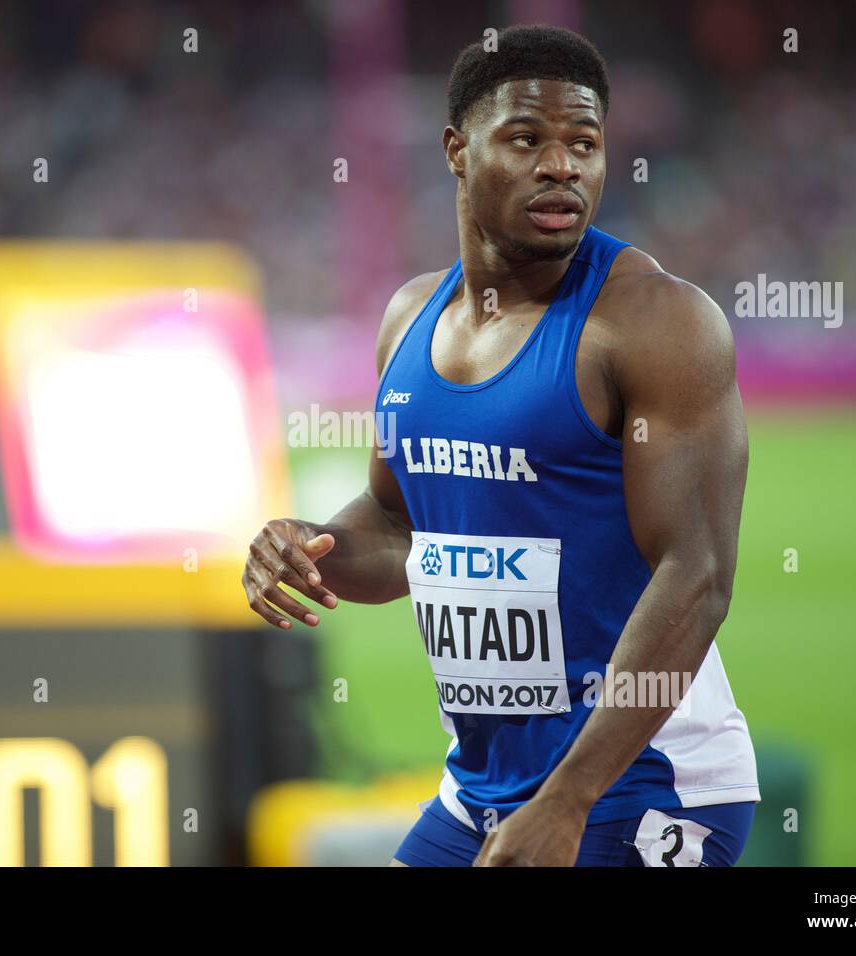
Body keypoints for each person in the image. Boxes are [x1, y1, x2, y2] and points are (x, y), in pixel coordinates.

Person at [242, 24, 759, 867]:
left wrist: (570, 799)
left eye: (584, 144)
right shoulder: (410, 321)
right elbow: (398, 529)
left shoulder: (657, 323)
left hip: (643, 785)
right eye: (527, 139)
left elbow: (696, 576)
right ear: (457, 149)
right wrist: (310, 550)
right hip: (479, 790)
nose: (563, 166)